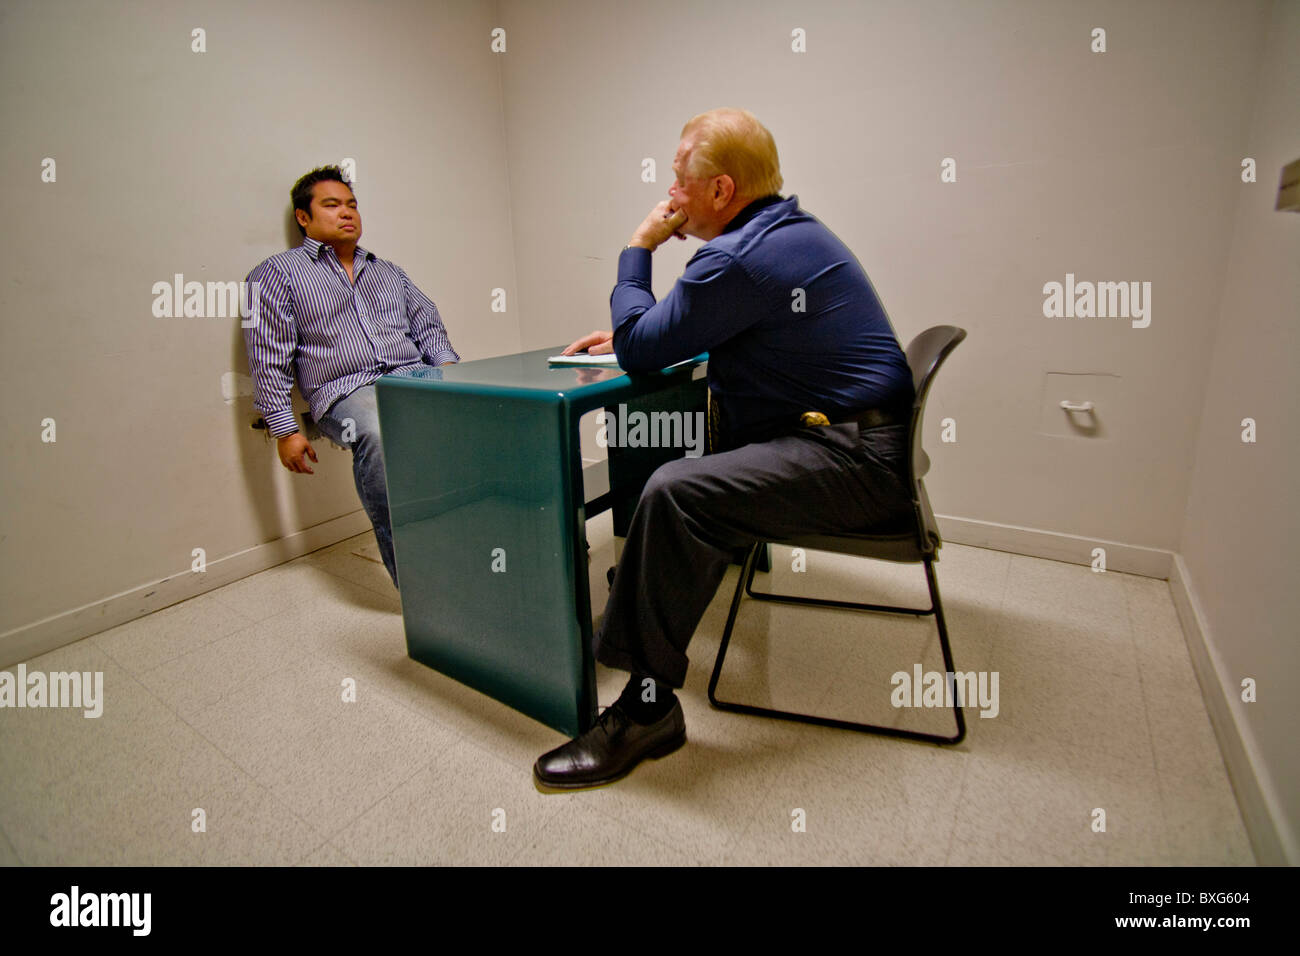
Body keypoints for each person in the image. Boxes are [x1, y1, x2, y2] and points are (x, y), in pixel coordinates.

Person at [534, 108, 916, 790]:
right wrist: (646, 330)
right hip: (858, 438)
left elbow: (648, 352)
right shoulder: (780, 234)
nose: (669, 195)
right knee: (683, 472)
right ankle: (652, 592)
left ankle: (646, 710)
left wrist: (638, 250)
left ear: (720, 190)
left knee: (675, 489)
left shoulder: (735, 256)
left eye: (679, 178)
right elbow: (724, 327)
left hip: (856, 463)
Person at [242, 166, 459, 589]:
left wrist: (454, 378)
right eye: (332, 205)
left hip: (414, 376)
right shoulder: (275, 275)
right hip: (345, 391)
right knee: (380, 434)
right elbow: (268, 358)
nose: (347, 213)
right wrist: (285, 429)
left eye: (352, 205)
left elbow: (428, 326)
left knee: (495, 418)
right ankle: (420, 587)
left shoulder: (388, 272)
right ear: (303, 217)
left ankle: (499, 548)